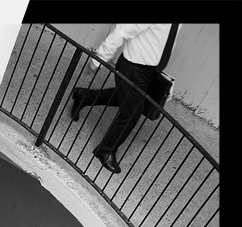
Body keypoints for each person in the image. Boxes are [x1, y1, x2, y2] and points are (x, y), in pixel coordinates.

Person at [69, 24, 177, 174]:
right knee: (131, 114)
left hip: (149, 69)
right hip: (133, 67)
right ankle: (105, 150)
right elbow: (123, 30)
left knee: (126, 98)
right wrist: (97, 60)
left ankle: (84, 96)